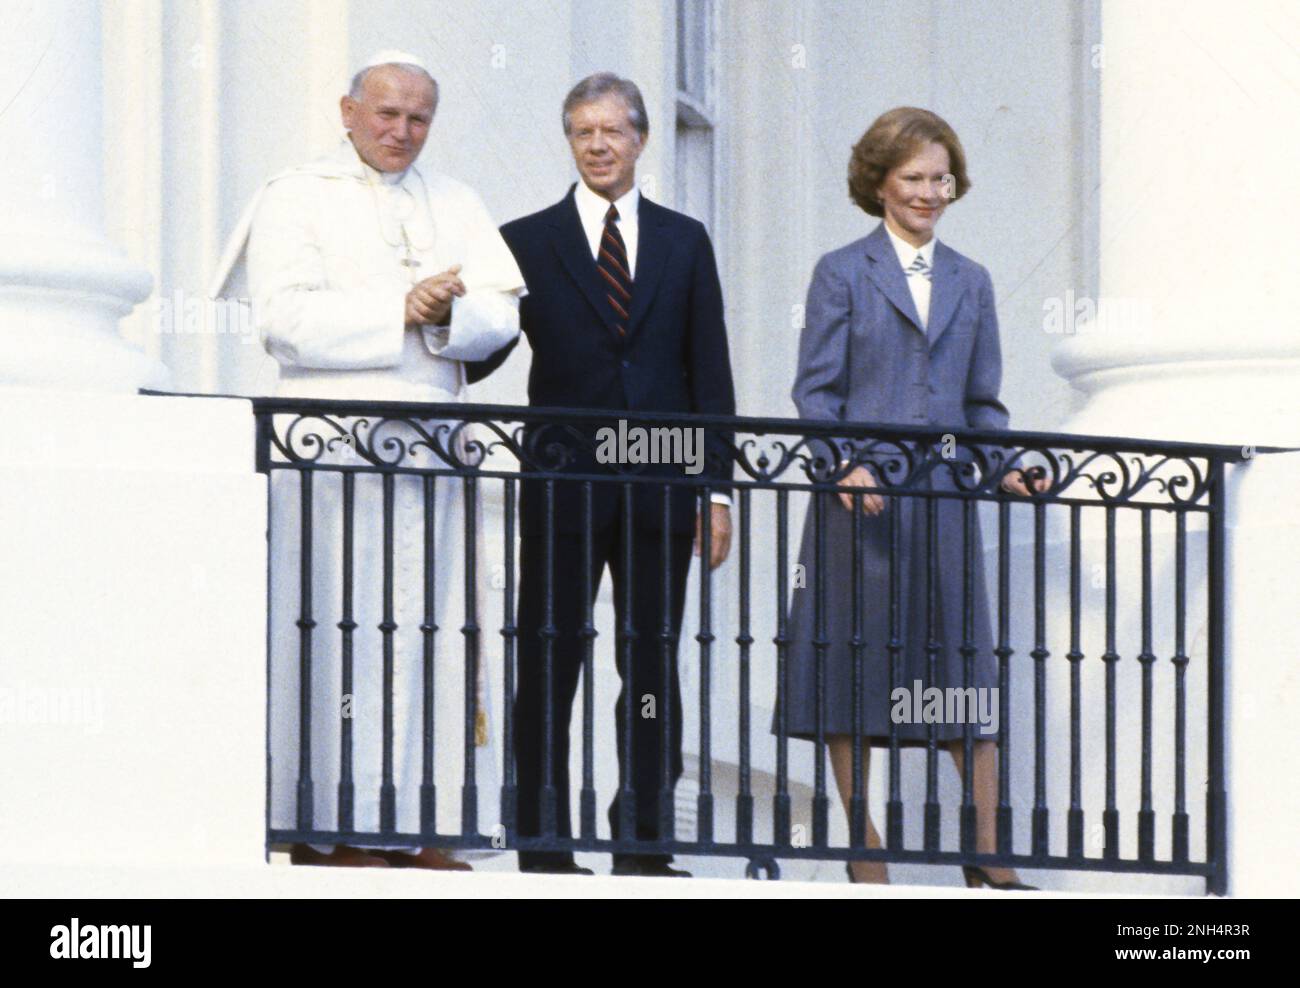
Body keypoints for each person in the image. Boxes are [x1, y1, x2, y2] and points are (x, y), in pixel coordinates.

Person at [213, 50, 525, 869]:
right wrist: (402, 306)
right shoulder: (293, 197)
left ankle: (428, 825)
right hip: (332, 453)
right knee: (339, 634)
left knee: (434, 634)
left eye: (419, 117)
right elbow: (283, 320)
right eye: (387, 114)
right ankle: (335, 826)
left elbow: (503, 311)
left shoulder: (456, 200)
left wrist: (447, 316)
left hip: (434, 454)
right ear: (347, 111)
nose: (402, 131)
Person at [469, 73, 736, 877]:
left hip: (661, 483)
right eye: (583, 131)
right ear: (570, 139)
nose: (598, 145)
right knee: (550, 652)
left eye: (612, 131)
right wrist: (448, 310)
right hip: (562, 480)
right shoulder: (523, 239)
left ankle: (644, 842)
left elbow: (709, 372)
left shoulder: (686, 241)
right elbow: (482, 356)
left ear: (640, 139)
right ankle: (542, 840)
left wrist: (715, 490)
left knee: (651, 659)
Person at [778, 107, 1047, 888]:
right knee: (851, 677)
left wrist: (1007, 468)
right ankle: (868, 859)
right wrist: (840, 468)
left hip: (942, 502)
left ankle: (988, 858)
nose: (930, 193)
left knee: (962, 673)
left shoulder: (972, 278)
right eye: (914, 178)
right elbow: (815, 394)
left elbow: (983, 405)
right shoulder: (841, 271)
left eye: (941, 178)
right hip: (857, 507)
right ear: (880, 184)